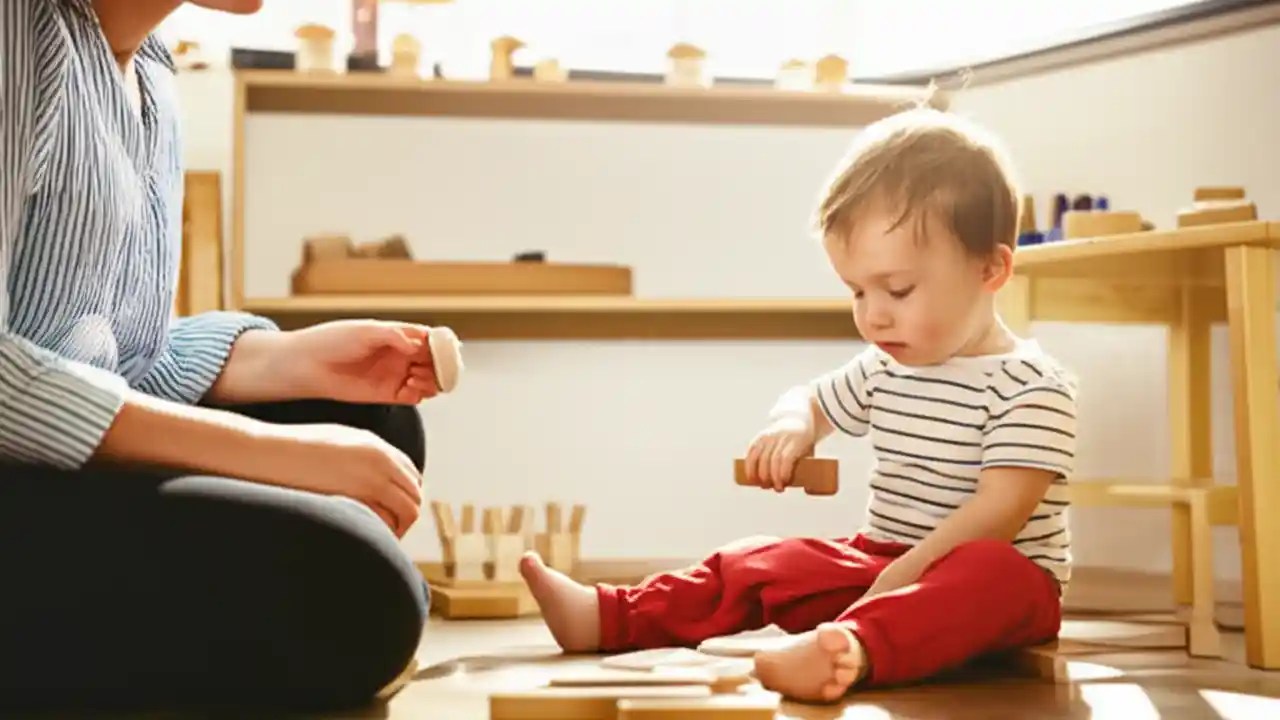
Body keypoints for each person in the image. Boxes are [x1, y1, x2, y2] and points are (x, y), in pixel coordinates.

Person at [520, 107, 1079, 703]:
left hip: (1000, 584)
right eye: (857, 291)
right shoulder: (888, 365)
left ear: (991, 268)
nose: (874, 314)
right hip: (879, 560)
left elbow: (996, 517)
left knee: (987, 576)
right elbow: (811, 398)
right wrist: (794, 425)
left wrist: (900, 578)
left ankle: (852, 648)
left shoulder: (1033, 387)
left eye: (898, 289)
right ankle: (612, 616)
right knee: (764, 561)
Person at [2, 0, 441, 710]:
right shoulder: (14, 31)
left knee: (377, 421)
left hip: (55, 468)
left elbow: (114, 352)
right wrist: (272, 454)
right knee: (362, 586)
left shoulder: (148, 67)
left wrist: (289, 359)